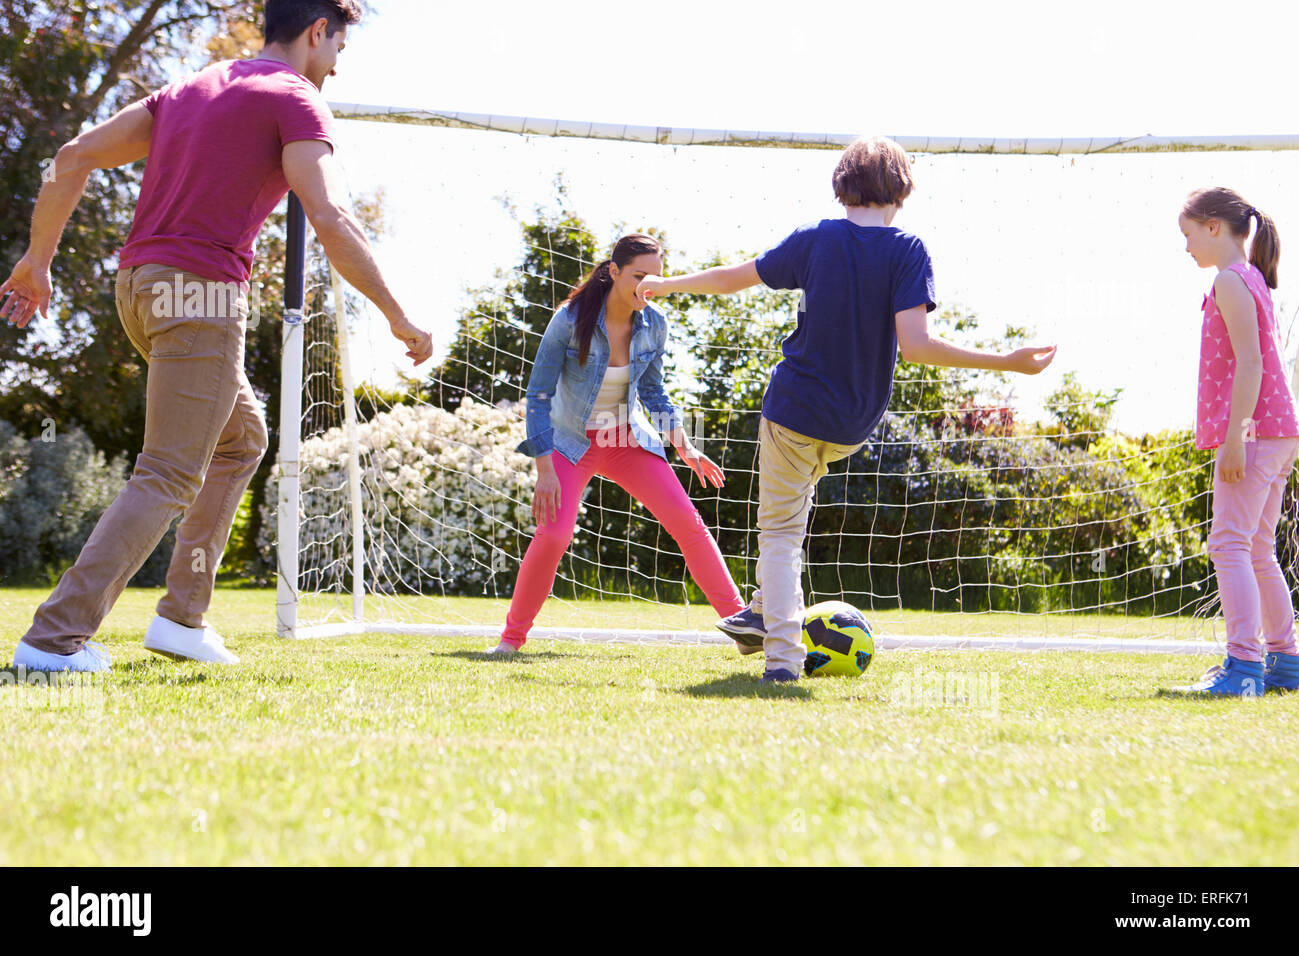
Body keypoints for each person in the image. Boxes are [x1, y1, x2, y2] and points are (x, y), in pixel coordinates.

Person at [0, 0, 433, 672]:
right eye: (338, 50)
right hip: (201, 296)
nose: (337, 67)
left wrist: (37, 260)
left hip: (139, 289)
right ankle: (53, 640)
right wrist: (398, 314)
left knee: (241, 439)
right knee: (169, 471)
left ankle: (182, 617)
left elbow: (70, 156)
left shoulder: (190, 87)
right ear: (318, 31)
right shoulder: (295, 98)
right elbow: (330, 216)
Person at [636, 136, 1056, 683]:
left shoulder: (817, 238)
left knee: (781, 534)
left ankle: (781, 659)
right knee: (794, 513)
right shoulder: (909, 250)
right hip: (853, 423)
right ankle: (765, 607)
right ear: (902, 190)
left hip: (793, 410)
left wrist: (667, 284)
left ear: (842, 185)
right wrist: (1007, 361)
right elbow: (919, 346)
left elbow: (732, 279)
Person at [492, 233, 746, 655]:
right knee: (553, 535)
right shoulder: (570, 320)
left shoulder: (655, 323)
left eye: (656, 278)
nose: (648, 286)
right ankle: (511, 639)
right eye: (639, 275)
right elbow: (537, 395)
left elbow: (653, 392)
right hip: (570, 441)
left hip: (626, 439)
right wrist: (544, 469)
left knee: (688, 522)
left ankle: (742, 627)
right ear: (614, 272)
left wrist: (684, 446)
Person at [1164, 187, 1299, 697]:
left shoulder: (1229, 280)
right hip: (1282, 430)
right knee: (1259, 549)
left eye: (1189, 234)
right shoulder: (1253, 279)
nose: (1186, 247)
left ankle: (1244, 665)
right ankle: (1286, 664)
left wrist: (1237, 437)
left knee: (1229, 544)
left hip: (1258, 431)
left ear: (1214, 227)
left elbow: (1250, 363)